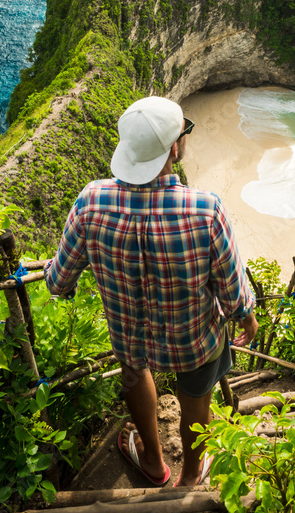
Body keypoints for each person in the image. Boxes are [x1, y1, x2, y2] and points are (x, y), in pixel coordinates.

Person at [44, 95, 258, 488]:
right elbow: (231, 292)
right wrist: (247, 315)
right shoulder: (205, 210)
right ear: (175, 147)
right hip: (193, 339)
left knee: (134, 372)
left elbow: (58, 282)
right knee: (196, 394)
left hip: (130, 338)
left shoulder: (91, 202)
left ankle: (154, 464)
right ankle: (191, 476)